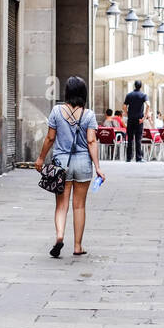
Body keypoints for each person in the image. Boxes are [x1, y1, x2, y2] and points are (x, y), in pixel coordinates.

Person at [35, 75, 104, 257]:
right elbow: (91, 141)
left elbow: (50, 138)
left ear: (66, 92)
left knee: (61, 205)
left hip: (61, 164)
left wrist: (41, 158)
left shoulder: (57, 111)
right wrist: (97, 167)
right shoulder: (88, 115)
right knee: (79, 206)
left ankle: (59, 236)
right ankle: (77, 246)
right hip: (82, 163)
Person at [122, 79, 148, 162]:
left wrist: (127, 114)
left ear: (134, 85)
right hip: (139, 119)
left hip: (131, 119)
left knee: (129, 138)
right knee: (138, 139)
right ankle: (138, 157)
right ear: (141, 86)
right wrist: (144, 117)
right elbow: (148, 105)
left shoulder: (129, 95)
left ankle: (128, 158)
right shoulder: (143, 95)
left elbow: (124, 106)